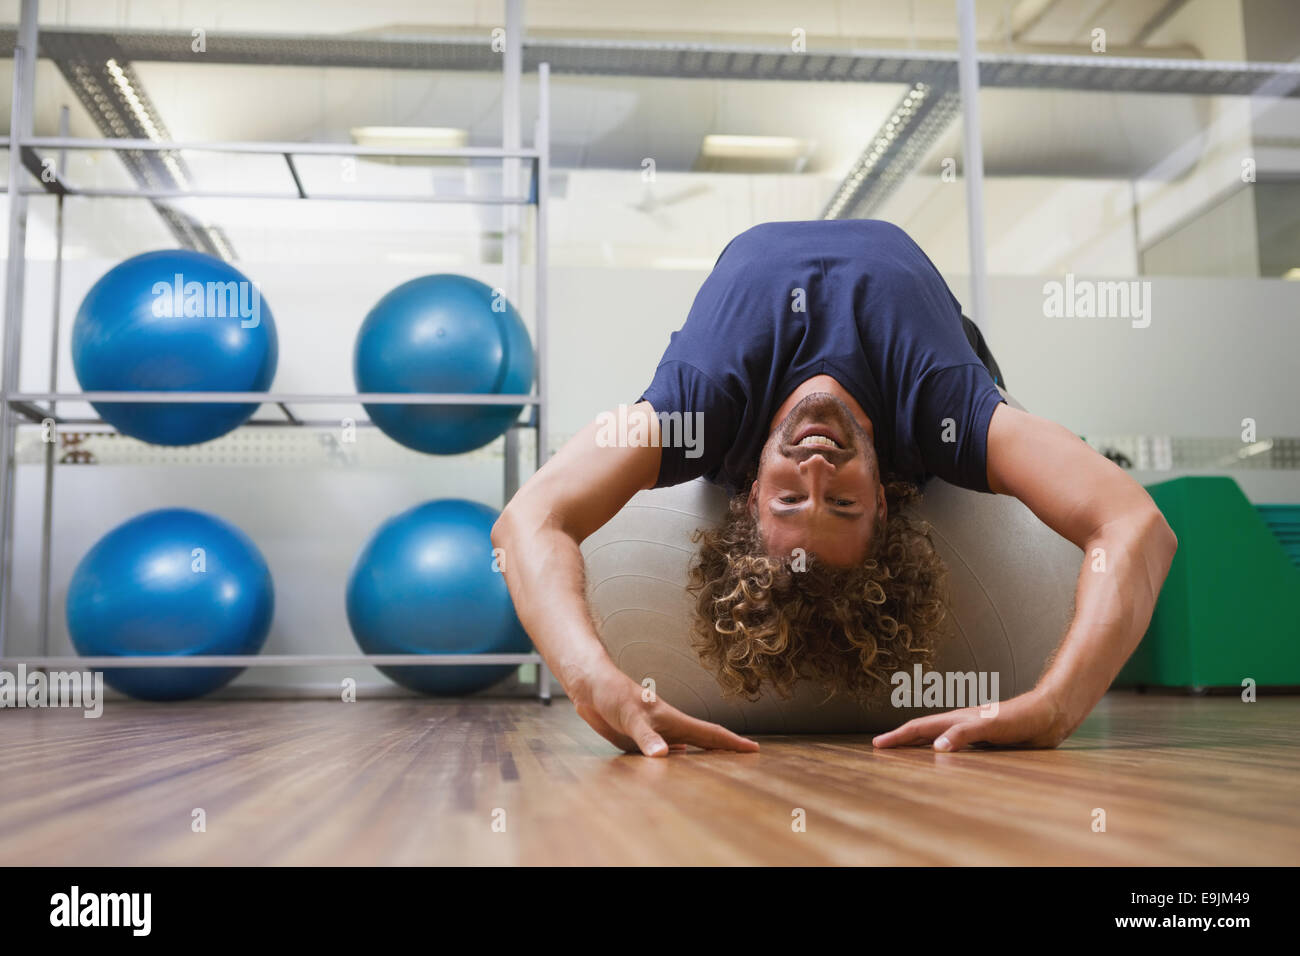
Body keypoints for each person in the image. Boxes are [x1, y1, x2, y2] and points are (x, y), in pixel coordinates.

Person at [492, 219, 1177, 757]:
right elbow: (1135, 524)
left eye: (792, 499)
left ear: (753, 491)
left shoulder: (697, 412)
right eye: (841, 502)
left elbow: (529, 520)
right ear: (884, 498)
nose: (817, 470)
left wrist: (590, 682)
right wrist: (1057, 705)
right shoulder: (943, 414)